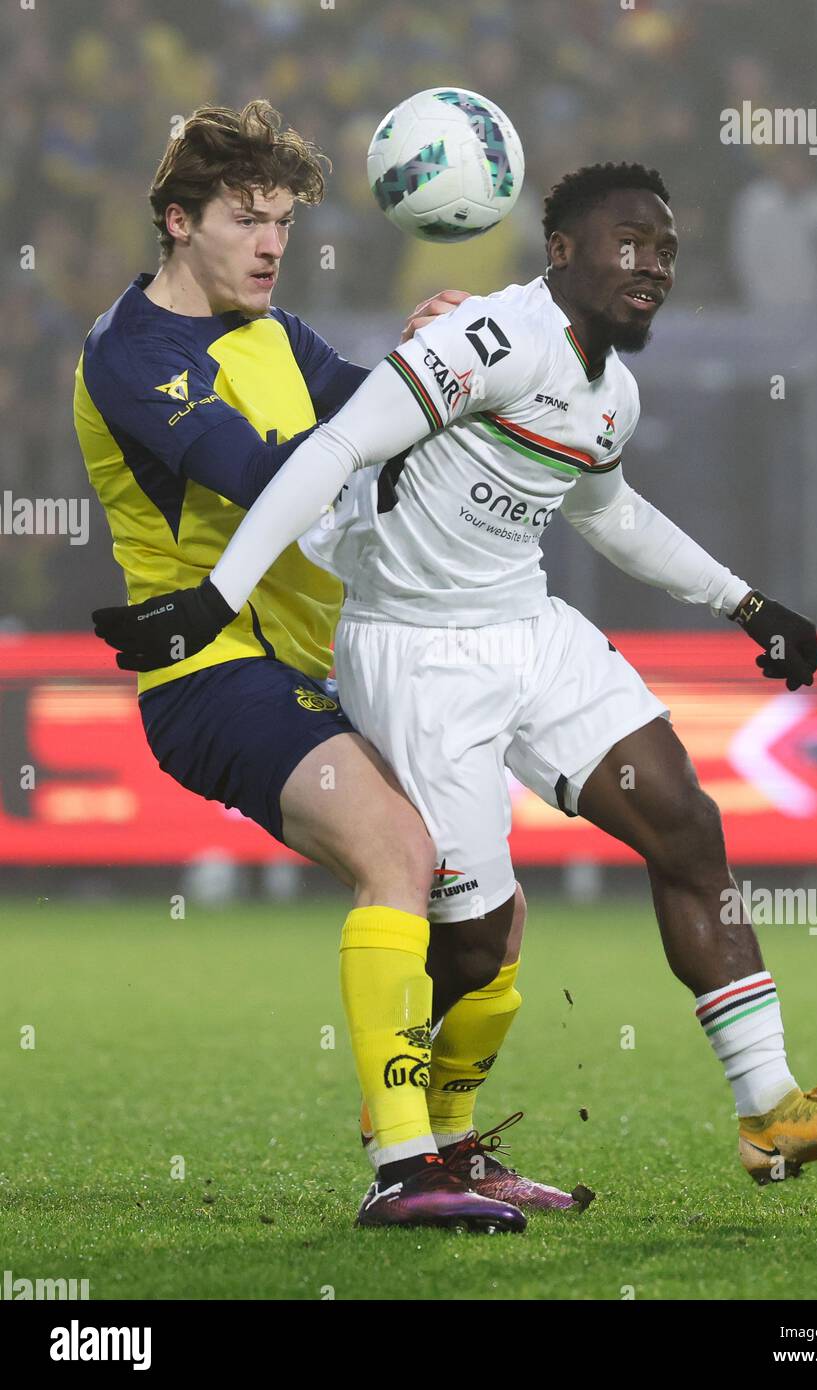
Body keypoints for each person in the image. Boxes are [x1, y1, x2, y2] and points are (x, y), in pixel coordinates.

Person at [92, 160, 817, 1204]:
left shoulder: (608, 388)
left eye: (663, 249)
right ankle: (420, 1130)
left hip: (530, 629)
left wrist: (748, 603)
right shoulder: (489, 339)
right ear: (560, 251)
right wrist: (217, 596)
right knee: (479, 938)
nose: (650, 266)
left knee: (685, 821)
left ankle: (770, 1107)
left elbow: (607, 512)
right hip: (419, 653)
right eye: (627, 243)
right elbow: (337, 443)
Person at [78, 99, 575, 1234]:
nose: (269, 245)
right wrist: (404, 383)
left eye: (284, 226)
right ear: (176, 221)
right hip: (209, 669)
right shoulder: (132, 354)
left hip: (329, 666)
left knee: (490, 912)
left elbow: (400, 425)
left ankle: (449, 1144)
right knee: (396, 851)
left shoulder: (284, 340)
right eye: (246, 220)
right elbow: (267, 476)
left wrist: (443, 366)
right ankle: (403, 1174)